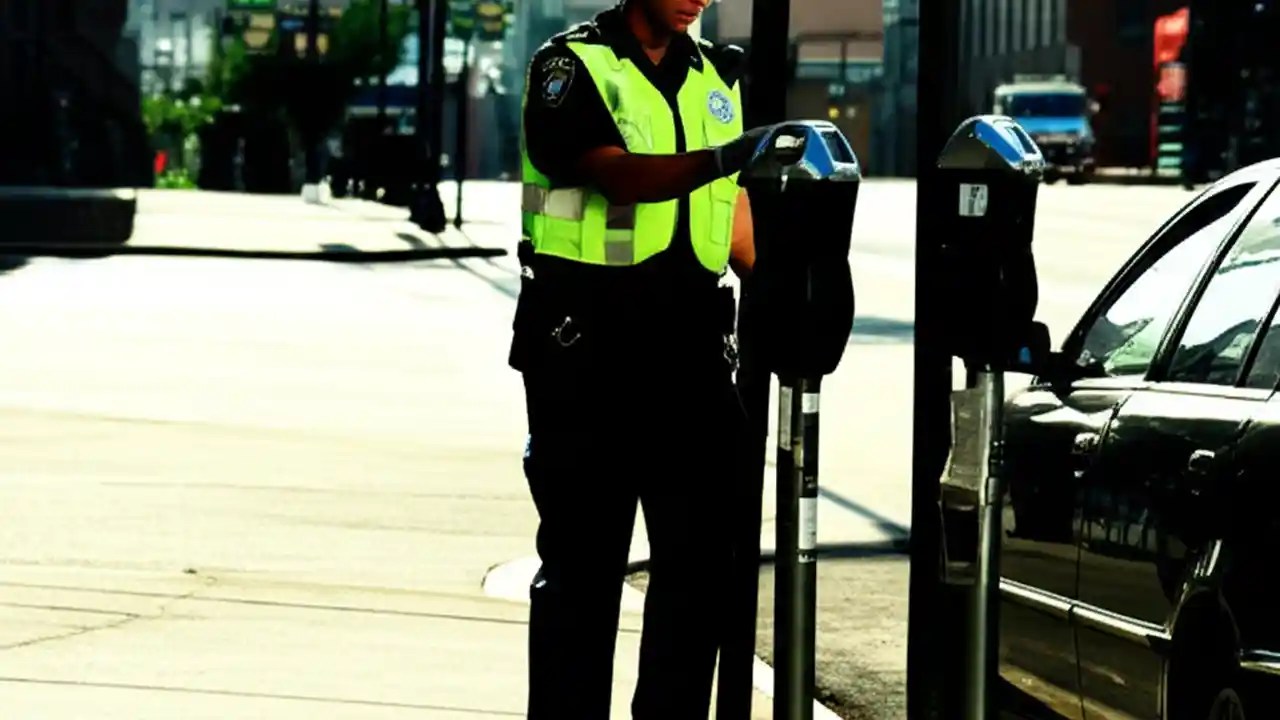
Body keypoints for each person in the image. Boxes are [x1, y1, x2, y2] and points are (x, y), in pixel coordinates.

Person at [509, 0, 776, 717]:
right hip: (586, 349)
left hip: (689, 351)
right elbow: (614, 176)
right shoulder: (571, 65)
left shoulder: (716, 77)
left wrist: (795, 289)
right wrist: (730, 155)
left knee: (701, 568)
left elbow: (734, 217)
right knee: (583, 573)